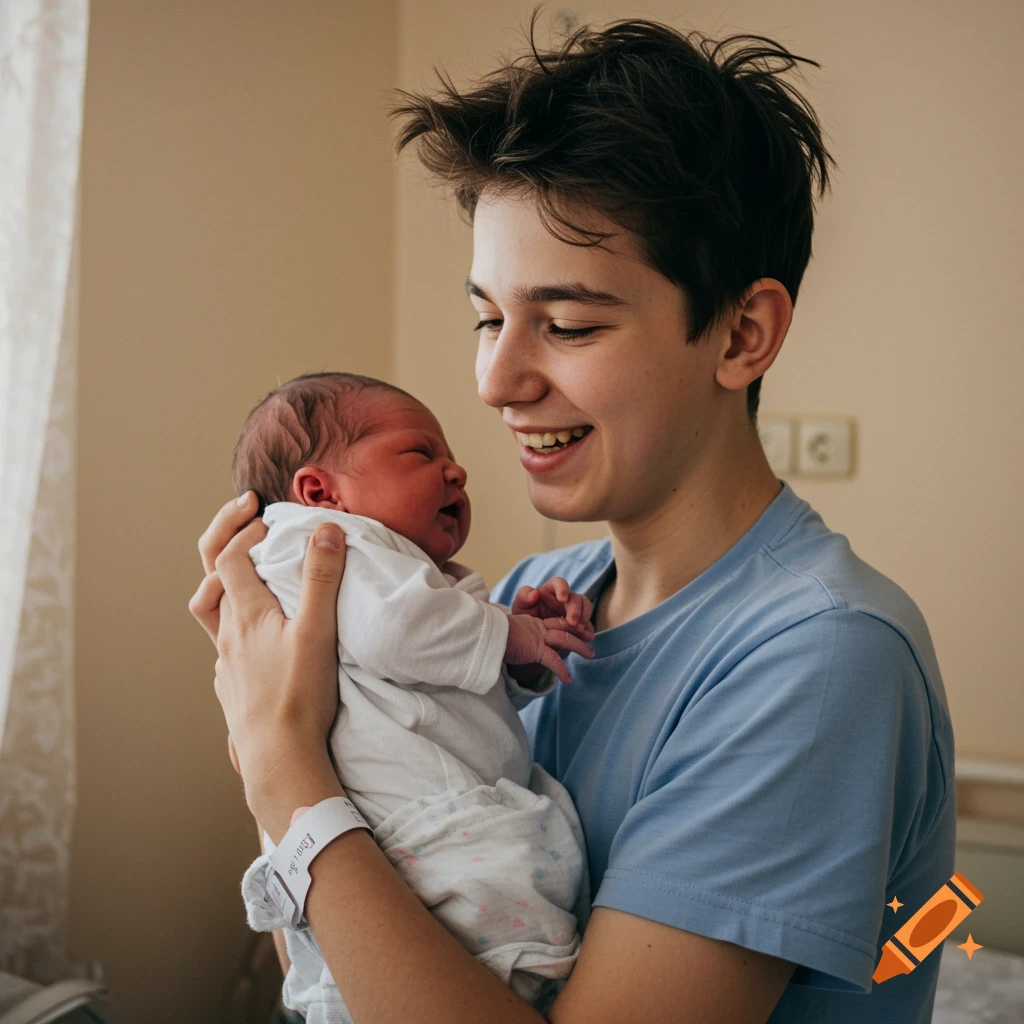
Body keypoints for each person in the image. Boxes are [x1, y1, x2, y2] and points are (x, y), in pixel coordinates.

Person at [190, 15, 955, 1023]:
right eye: (487, 316)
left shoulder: (815, 662)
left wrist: (283, 773)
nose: (495, 379)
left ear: (743, 332)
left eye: (567, 324)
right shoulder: (518, 609)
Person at [231, 371, 596, 1020]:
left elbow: (447, 695)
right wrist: (510, 631)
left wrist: (529, 657)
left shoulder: (405, 575)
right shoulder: (322, 543)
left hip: (364, 843)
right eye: (420, 453)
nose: (455, 471)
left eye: (450, 457)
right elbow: (395, 632)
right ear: (321, 491)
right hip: (411, 840)